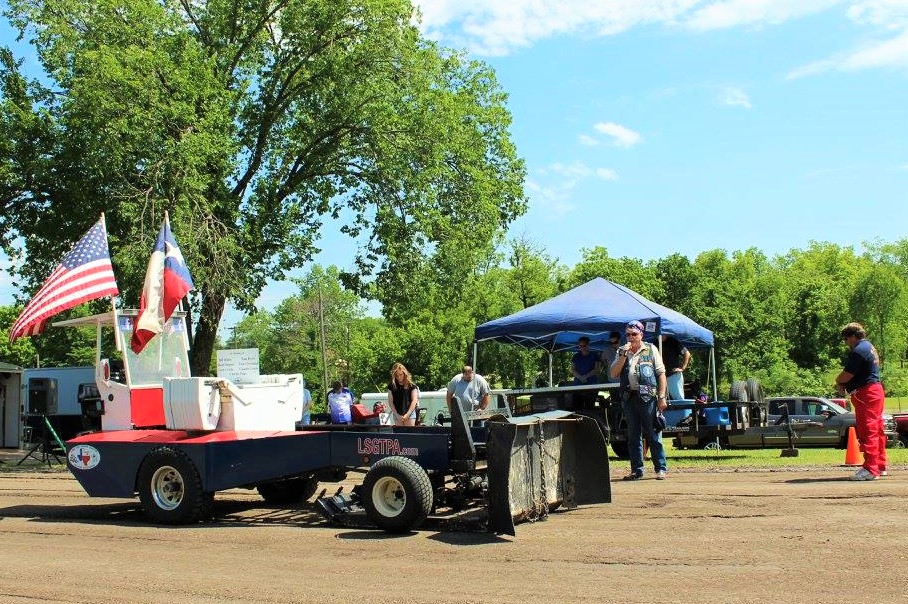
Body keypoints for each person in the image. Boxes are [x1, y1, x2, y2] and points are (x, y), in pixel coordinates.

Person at [610, 320, 668, 480]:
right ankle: (637, 470)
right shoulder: (622, 351)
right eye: (628, 334)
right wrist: (622, 355)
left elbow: (661, 374)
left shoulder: (650, 349)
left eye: (634, 334)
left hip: (648, 398)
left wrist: (662, 397)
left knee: (653, 433)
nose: (630, 337)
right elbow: (614, 373)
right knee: (633, 435)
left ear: (641, 334)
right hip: (629, 398)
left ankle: (660, 468)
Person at [835, 322, 888, 480]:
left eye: (846, 339)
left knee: (868, 430)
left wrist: (838, 381)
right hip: (874, 391)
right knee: (877, 429)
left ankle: (870, 469)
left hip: (866, 393)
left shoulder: (859, 350)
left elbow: (848, 374)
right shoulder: (869, 347)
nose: (846, 343)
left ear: (853, 336)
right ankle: (880, 465)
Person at [660, 334, 691, 401]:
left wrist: (683, 368)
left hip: (673, 375)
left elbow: (687, 353)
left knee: (678, 399)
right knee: (661, 400)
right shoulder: (654, 343)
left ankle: (682, 411)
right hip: (660, 376)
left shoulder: (673, 341)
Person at [387, 362, 419, 426]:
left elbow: (414, 400)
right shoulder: (391, 386)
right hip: (397, 414)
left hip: (410, 414)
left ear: (404, 373)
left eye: (401, 374)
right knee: (399, 434)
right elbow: (390, 402)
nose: (399, 377)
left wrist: (408, 414)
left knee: (409, 435)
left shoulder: (412, 386)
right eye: (396, 375)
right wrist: (397, 415)